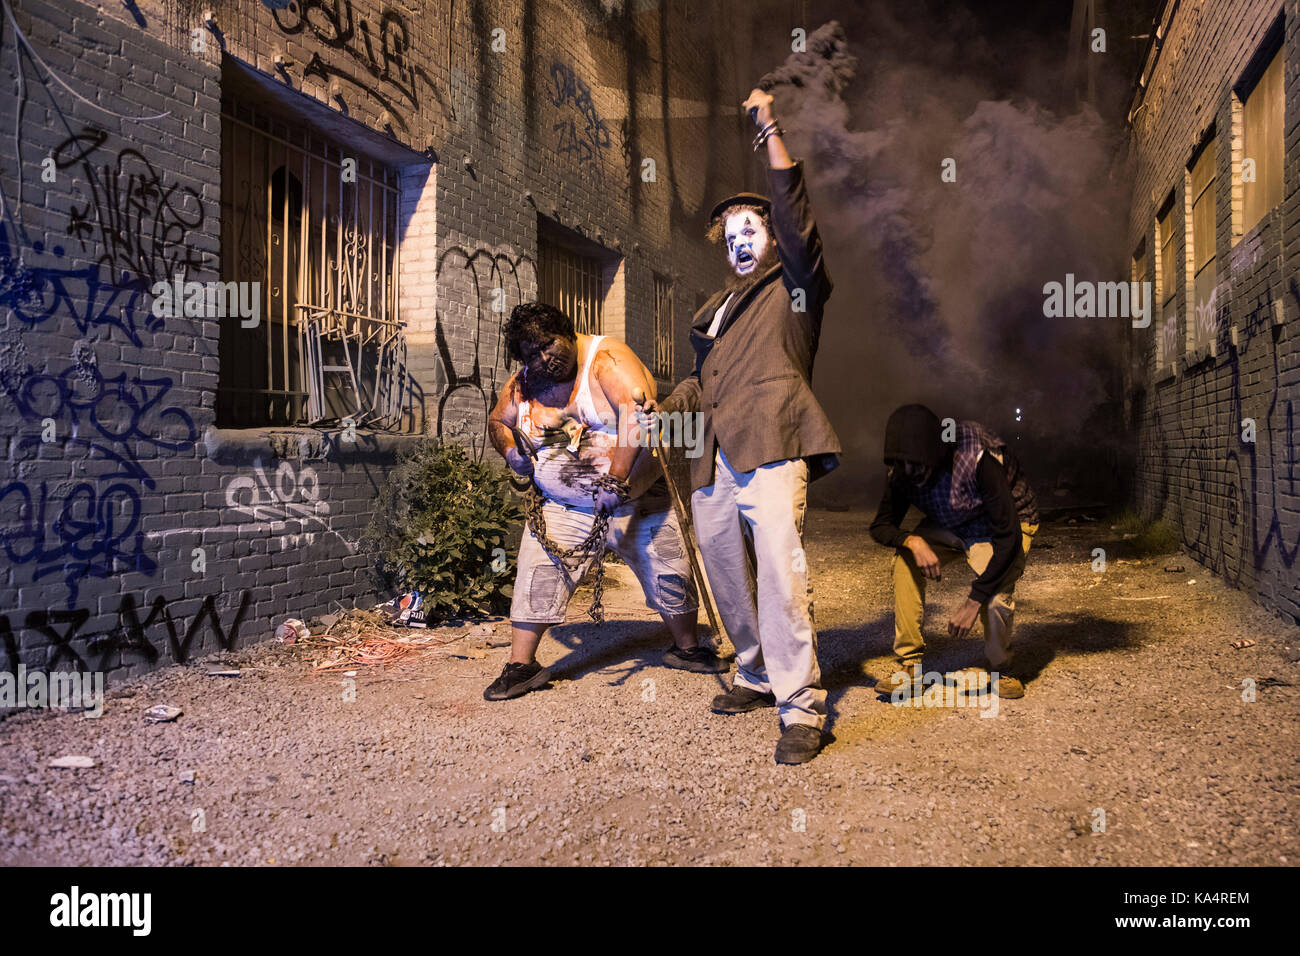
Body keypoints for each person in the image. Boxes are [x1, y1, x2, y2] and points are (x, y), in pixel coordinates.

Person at [637, 87, 839, 764]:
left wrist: (767, 129)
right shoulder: (713, 311)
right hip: (713, 457)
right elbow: (701, 383)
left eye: (750, 229)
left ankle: (802, 707)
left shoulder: (797, 286)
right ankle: (753, 670)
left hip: (775, 443)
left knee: (781, 574)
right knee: (725, 570)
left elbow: (798, 217)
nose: (740, 241)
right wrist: (660, 414)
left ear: (771, 236)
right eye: (731, 237)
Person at [483, 302, 726, 702]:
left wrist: (615, 479)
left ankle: (686, 647)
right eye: (532, 355)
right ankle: (521, 665)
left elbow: (636, 416)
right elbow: (498, 421)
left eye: (549, 346)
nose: (545, 360)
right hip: (562, 508)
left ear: (568, 331)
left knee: (671, 572)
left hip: (636, 498)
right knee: (536, 577)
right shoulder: (524, 382)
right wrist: (511, 453)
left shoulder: (608, 361)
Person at [868, 404, 1040, 698]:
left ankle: (1001, 668)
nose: (912, 474)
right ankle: (910, 667)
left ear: (934, 455)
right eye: (903, 466)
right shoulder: (902, 471)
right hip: (952, 522)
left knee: (996, 594)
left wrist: (973, 601)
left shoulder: (978, 460)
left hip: (1001, 525)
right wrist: (913, 541)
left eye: (917, 465)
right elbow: (881, 525)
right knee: (904, 561)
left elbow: (1008, 538)